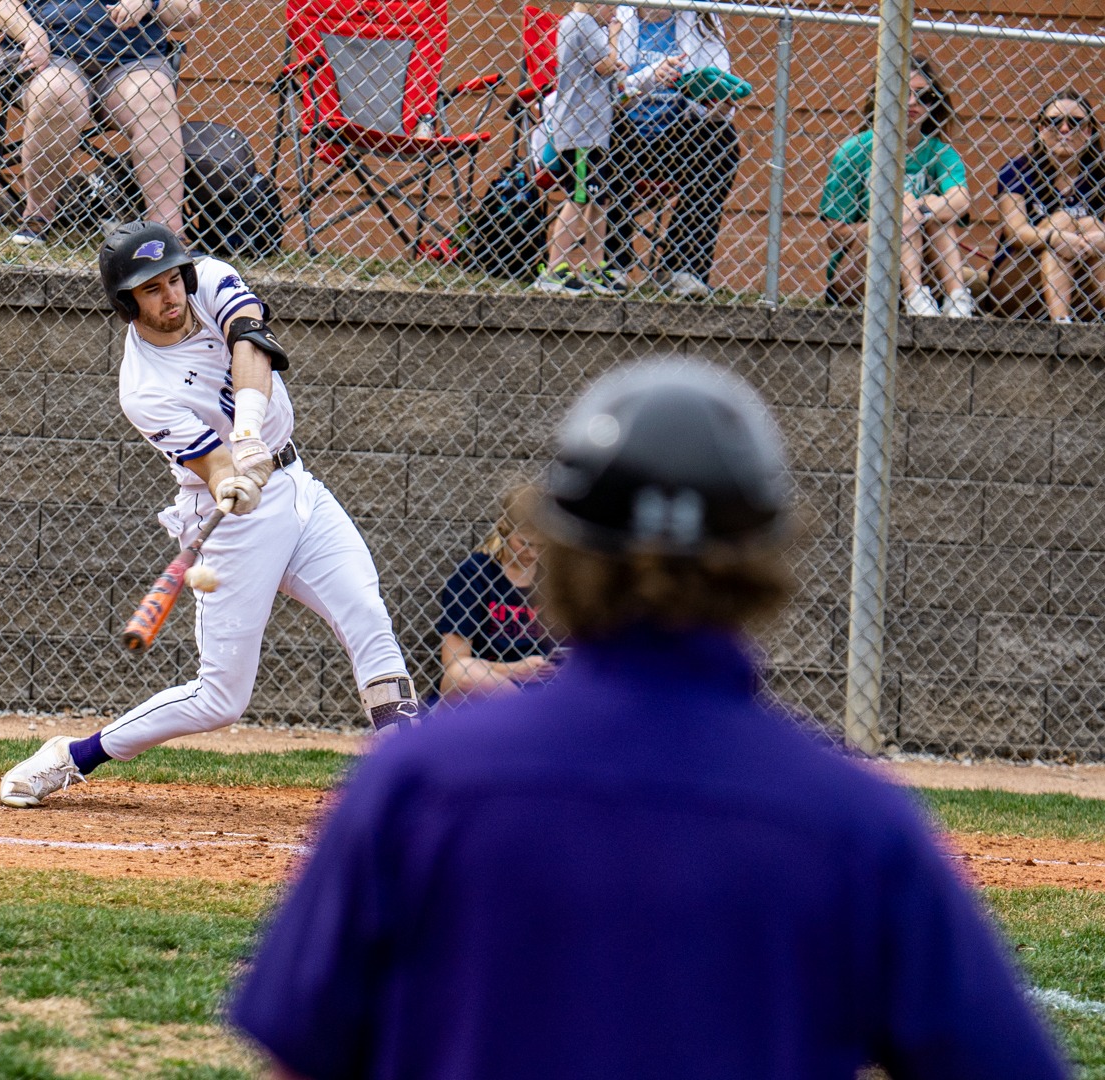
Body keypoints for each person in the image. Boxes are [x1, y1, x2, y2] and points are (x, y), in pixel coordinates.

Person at [228, 358, 1069, 1079]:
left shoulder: (417, 780)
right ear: (763, 560)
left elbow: (305, 1055)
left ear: (566, 548)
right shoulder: (856, 820)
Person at [0, 221, 417, 807]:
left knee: (366, 614)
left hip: (297, 486)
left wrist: (248, 434)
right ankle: (69, 756)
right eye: (151, 290)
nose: (171, 297)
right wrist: (232, 476)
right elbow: (215, 468)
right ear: (126, 303)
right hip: (231, 518)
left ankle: (413, 776)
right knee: (222, 698)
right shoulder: (142, 387)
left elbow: (251, 340)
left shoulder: (212, 280)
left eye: (173, 280)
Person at [0, 0, 196, 246]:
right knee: (58, 91)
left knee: (156, 95)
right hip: (52, 55)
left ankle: (167, 234)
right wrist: (32, 33)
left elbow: (188, 15)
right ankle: (37, 216)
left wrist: (150, 2)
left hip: (131, 61)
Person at [818, 56, 977, 318]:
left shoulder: (940, 152)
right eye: (904, 92)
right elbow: (835, 237)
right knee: (904, 210)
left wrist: (920, 209)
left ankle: (956, 299)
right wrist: (889, 222)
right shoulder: (855, 151)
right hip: (860, 273)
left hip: (926, 266)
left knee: (932, 212)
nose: (913, 102)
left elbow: (961, 200)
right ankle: (915, 296)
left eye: (923, 96)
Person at [602, 5, 742, 298]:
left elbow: (718, 95)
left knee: (722, 142)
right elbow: (603, 95)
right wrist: (650, 77)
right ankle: (612, 264)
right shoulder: (613, 17)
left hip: (676, 133)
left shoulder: (703, 19)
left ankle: (682, 268)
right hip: (626, 130)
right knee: (609, 134)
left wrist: (717, 104)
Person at [991, 91, 1105, 322]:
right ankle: (1061, 327)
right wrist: (1055, 238)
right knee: (1063, 223)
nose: (1064, 130)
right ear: (1041, 130)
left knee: (1091, 224)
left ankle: (1062, 321)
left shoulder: (1100, 176)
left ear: (1088, 131)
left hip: (1084, 287)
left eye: (1075, 123)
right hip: (1018, 284)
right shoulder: (1019, 170)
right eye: (1053, 122)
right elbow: (1015, 232)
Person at [533, 1, 621, 297]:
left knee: (599, 199)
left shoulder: (577, 23)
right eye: (612, 6)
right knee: (582, 195)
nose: (615, 13)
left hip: (593, 129)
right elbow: (607, 64)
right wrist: (615, 35)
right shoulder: (584, 23)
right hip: (582, 129)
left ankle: (594, 268)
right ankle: (555, 267)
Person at [435, 501, 555, 700]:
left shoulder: (552, 577)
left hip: (545, 687)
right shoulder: (474, 574)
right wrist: (515, 670)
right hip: (490, 687)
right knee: (461, 674)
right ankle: (524, 715)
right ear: (504, 532)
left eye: (541, 546)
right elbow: (454, 661)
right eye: (524, 543)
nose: (533, 554)